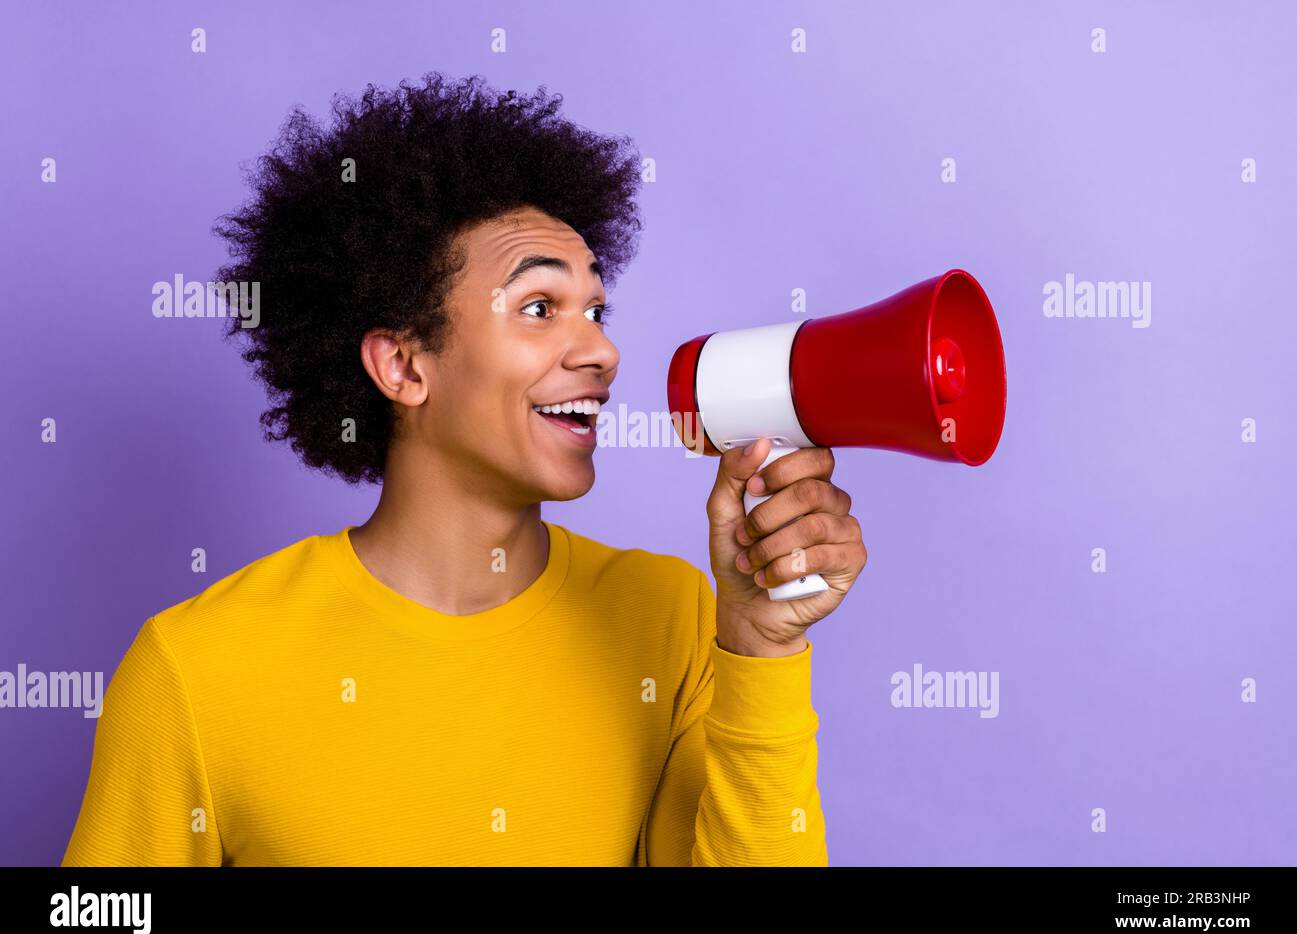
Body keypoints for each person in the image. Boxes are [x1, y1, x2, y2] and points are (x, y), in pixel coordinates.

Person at [61, 73, 866, 867]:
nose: (603, 351)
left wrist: (761, 654)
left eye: (596, 311)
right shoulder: (196, 666)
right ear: (405, 367)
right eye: (539, 309)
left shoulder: (673, 619)